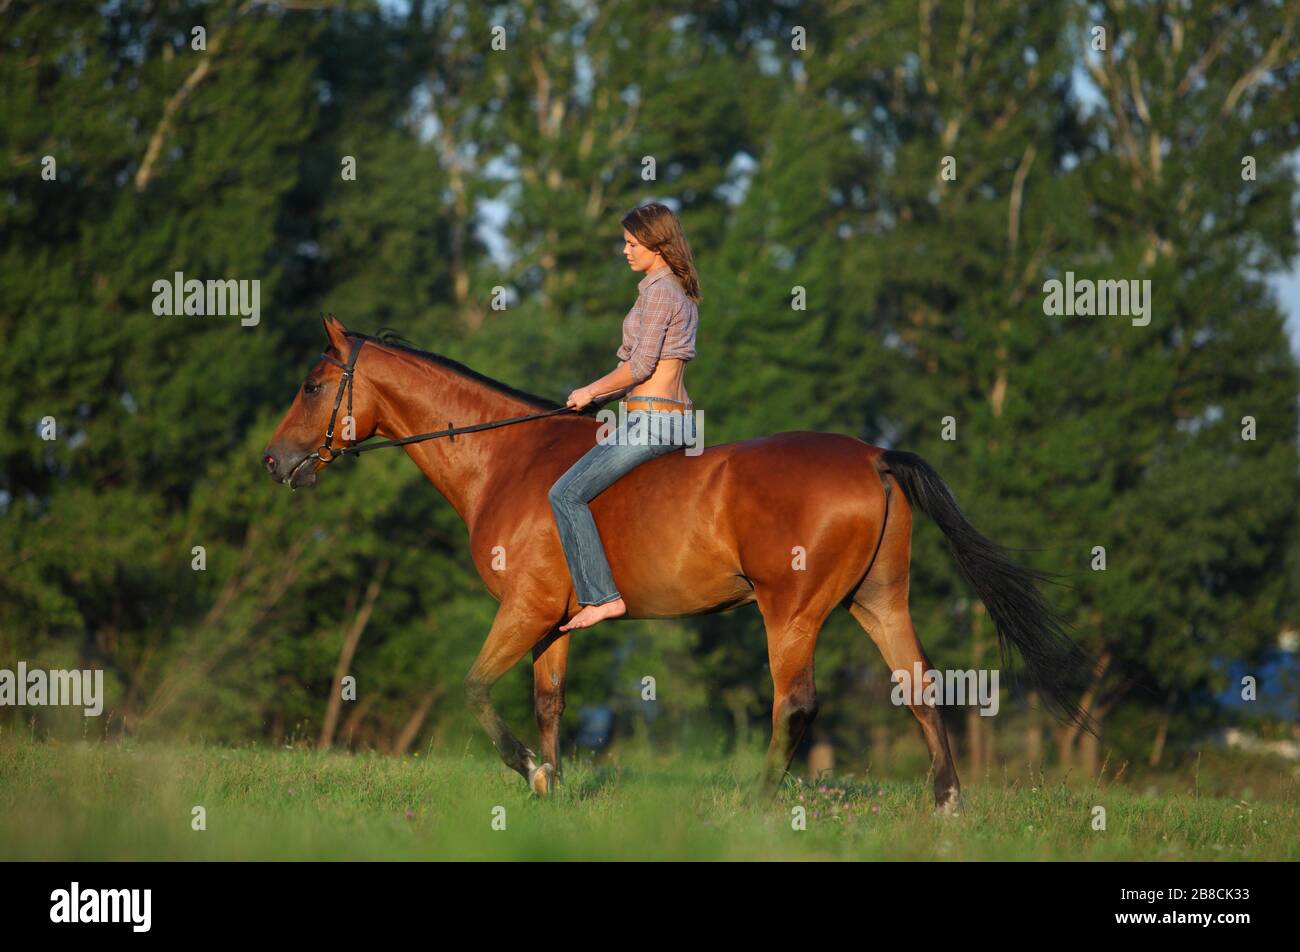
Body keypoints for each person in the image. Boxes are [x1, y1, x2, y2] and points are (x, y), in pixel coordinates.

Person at [548, 201, 701, 631]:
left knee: (565, 494)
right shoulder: (676, 290)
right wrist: (602, 401)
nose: (625, 251)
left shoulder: (660, 293)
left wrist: (590, 390)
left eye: (632, 243)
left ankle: (601, 596)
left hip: (653, 421)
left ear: (656, 244)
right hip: (669, 416)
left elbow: (639, 367)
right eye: (625, 243)